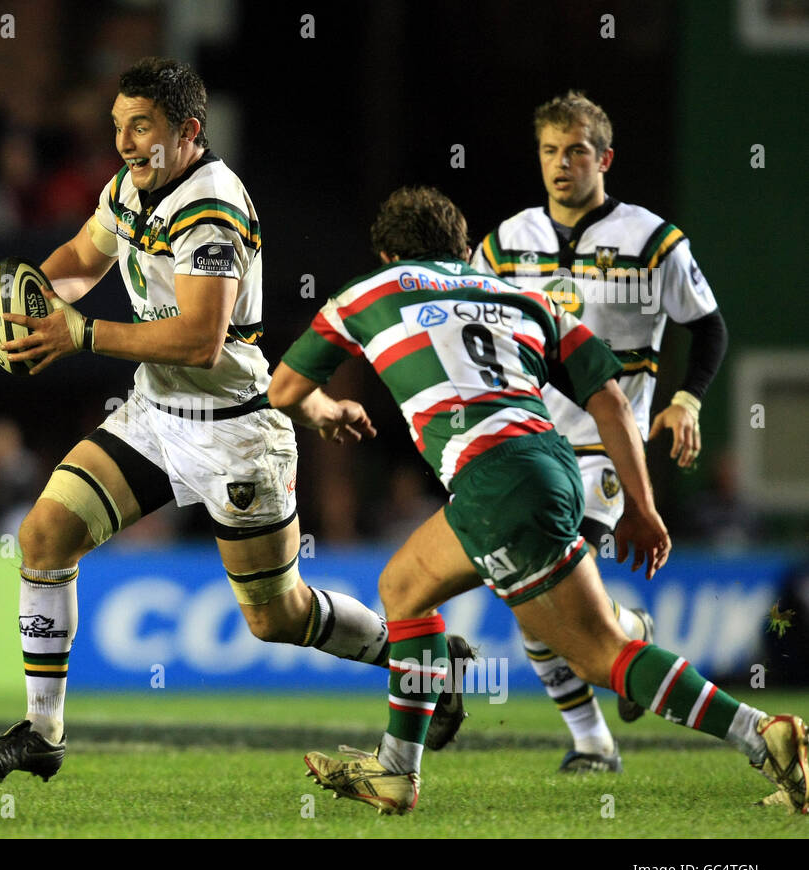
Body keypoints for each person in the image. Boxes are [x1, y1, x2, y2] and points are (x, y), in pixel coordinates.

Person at [0, 58, 467, 782]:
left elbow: (201, 339)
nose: (125, 142)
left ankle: (425, 661)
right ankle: (43, 733)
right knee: (44, 535)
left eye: (142, 126)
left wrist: (82, 333)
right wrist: (32, 298)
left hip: (234, 430)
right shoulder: (128, 188)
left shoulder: (211, 206)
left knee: (277, 617)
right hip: (154, 413)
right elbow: (81, 256)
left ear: (188, 131)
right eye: (118, 126)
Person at [269, 185, 806, 815]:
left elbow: (284, 390)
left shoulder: (367, 292)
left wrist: (329, 412)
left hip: (494, 480)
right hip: (551, 465)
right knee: (404, 587)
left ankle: (762, 734)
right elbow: (610, 398)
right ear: (464, 250)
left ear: (388, 254)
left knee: (601, 653)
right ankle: (395, 771)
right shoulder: (524, 298)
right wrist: (642, 506)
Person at [470, 91, 729, 772]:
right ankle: (621, 654)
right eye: (550, 151)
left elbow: (708, 327)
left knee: (544, 588)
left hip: (603, 448)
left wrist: (687, 401)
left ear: (605, 158)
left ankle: (592, 740)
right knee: (531, 601)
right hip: (527, 446)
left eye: (577, 150)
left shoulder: (652, 239)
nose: (563, 163)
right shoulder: (505, 243)